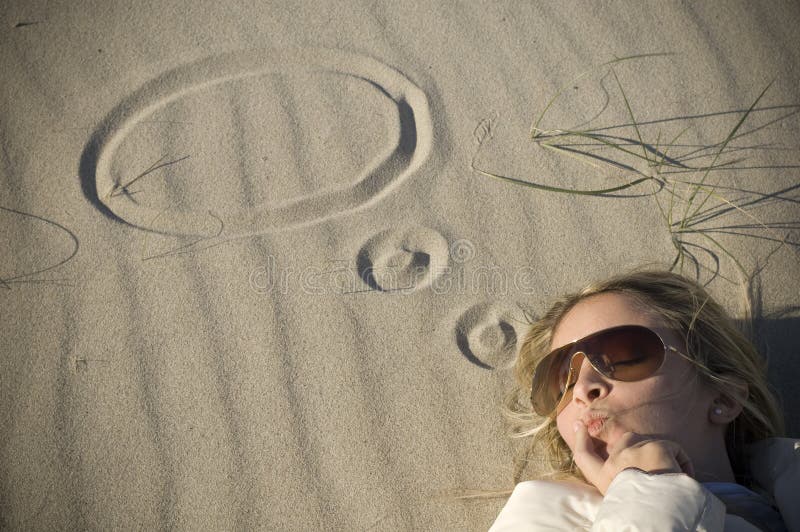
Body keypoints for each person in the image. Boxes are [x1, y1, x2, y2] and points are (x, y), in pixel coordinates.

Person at [489, 270, 799, 531]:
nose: (583, 387)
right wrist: (650, 492)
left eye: (623, 356)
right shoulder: (537, 515)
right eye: (561, 380)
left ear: (724, 397)